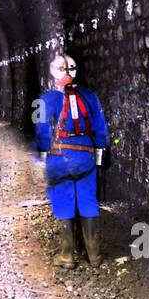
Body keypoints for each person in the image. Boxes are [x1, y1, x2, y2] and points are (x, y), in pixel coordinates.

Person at [34, 53, 108, 268]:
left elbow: (42, 130)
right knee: (88, 200)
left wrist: (44, 151)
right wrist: (101, 149)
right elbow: (101, 129)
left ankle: (67, 255)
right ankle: (94, 255)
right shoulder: (89, 96)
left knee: (64, 201)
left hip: (59, 158)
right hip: (85, 156)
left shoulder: (46, 99)